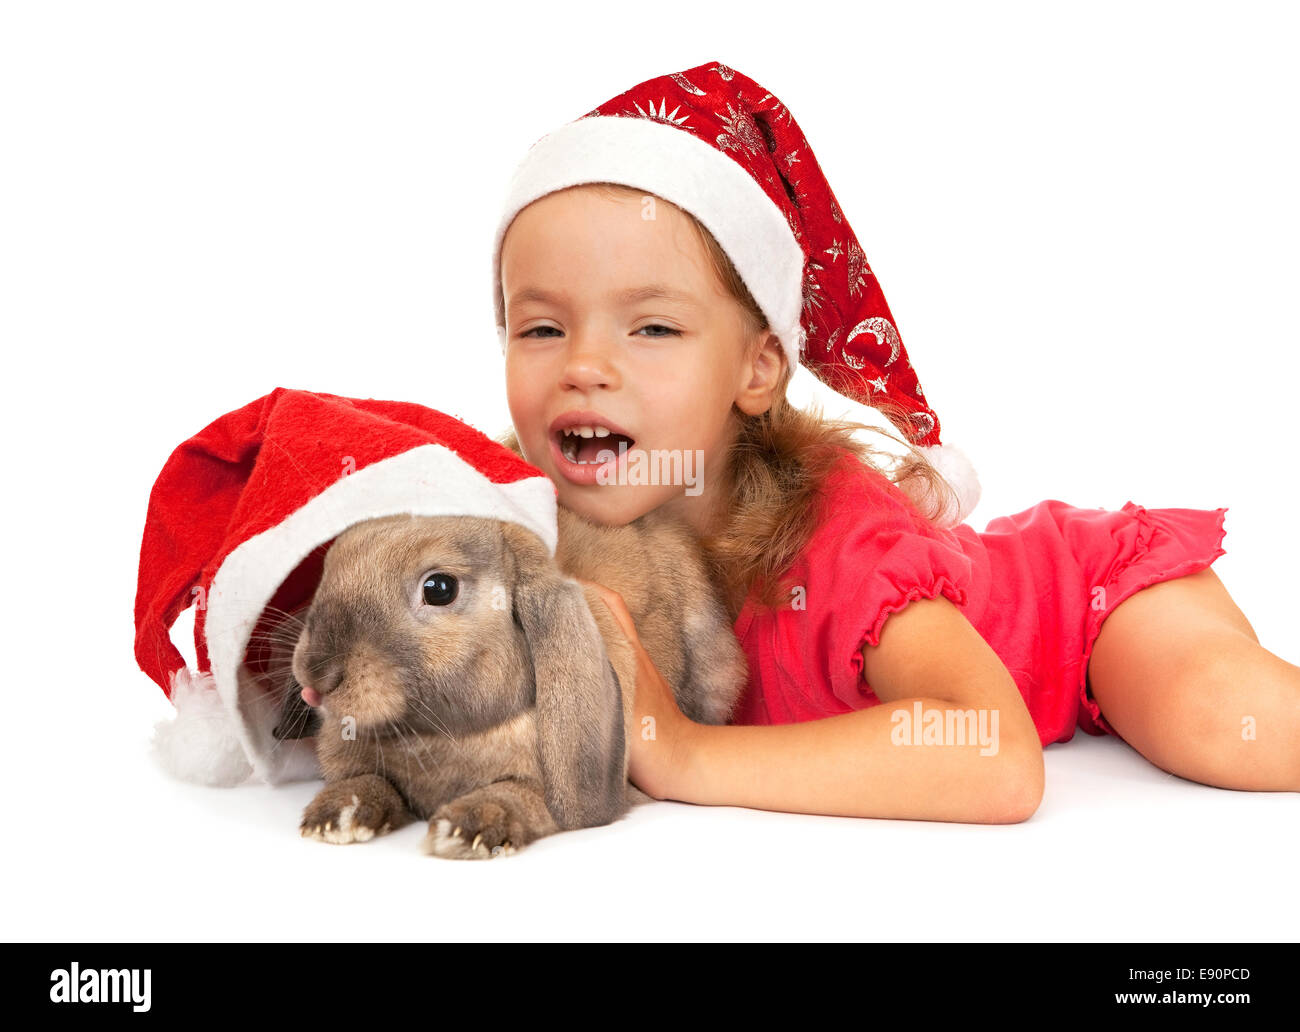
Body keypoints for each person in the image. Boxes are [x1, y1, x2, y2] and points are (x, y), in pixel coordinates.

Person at [488, 60, 1300, 823]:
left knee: (1221, 720)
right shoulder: (535, 530)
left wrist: (690, 755)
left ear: (759, 368)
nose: (583, 366)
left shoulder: (839, 541)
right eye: (542, 328)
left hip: (1099, 609)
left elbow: (998, 755)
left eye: (653, 326)